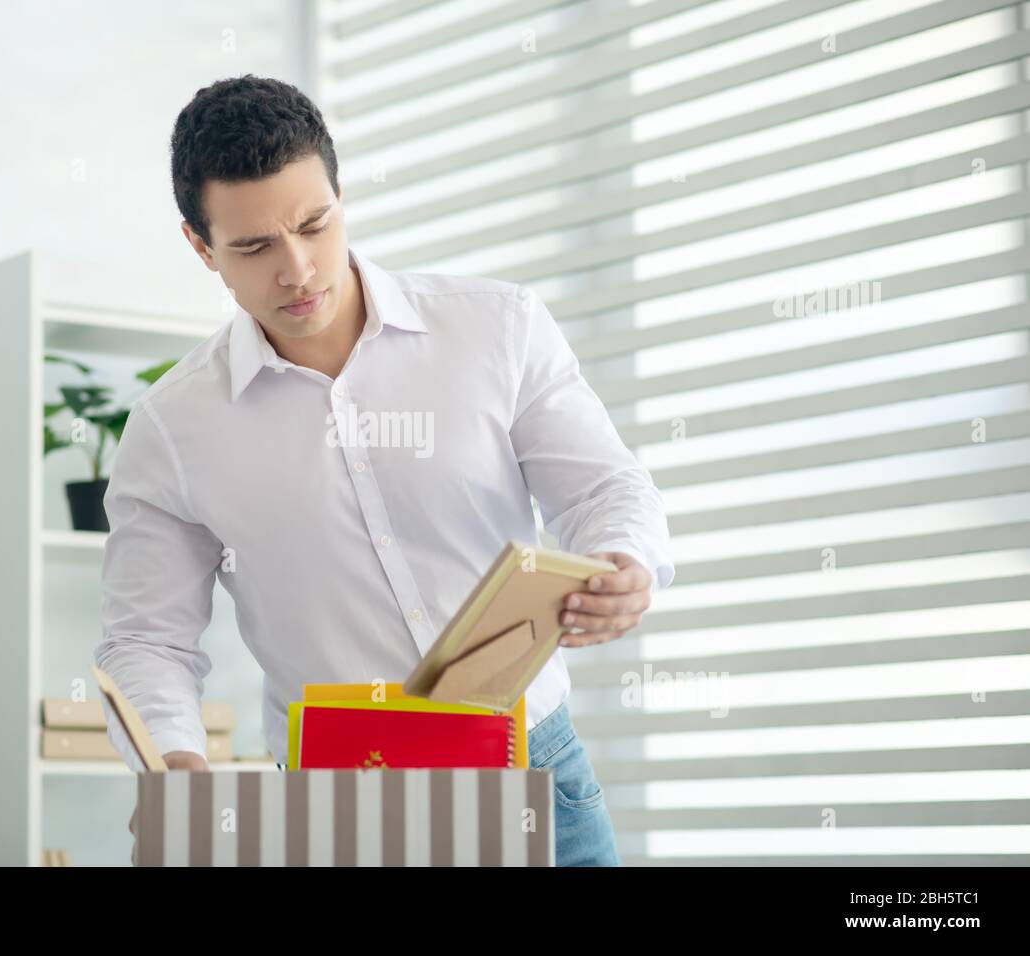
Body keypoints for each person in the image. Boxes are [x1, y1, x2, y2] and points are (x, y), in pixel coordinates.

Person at [101, 75, 674, 867]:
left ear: (340, 196)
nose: (298, 270)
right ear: (202, 248)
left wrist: (624, 561)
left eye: (314, 224)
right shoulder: (171, 431)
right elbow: (148, 640)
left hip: (531, 773)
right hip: (339, 811)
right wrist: (175, 766)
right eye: (255, 247)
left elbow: (606, 489)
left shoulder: (495, 328)